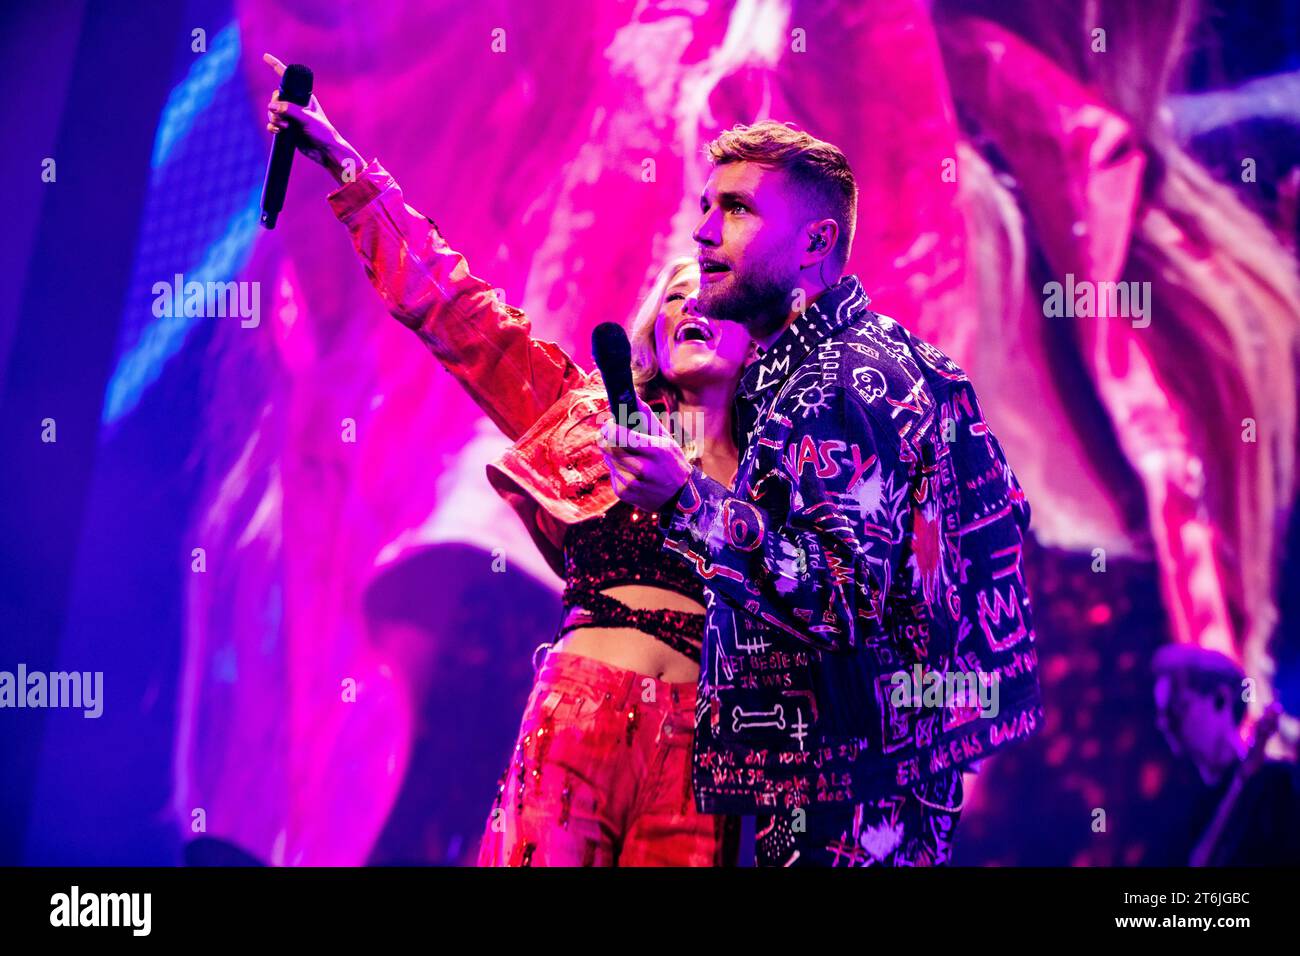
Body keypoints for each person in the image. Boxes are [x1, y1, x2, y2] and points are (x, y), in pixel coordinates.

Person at [262, 53, 752, 866]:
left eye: (713, 294)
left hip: (706, 754)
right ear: (653, 338)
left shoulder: (794, 463)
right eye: (676, 296)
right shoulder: (586, 415)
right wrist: (352, 173)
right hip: (579, 723)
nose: (695, 301)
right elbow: (457, 311)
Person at [601, 120, 1042, 866]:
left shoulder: (834, 383)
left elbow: (840, 602)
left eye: (737, 210)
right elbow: (1004, 518)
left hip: (847, 793)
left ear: (814, 243)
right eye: (705, 208)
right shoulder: (879, 357)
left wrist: (686, 502)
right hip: (878, 774)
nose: (705, 233)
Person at [1152, 644, 1300, 866]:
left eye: (1178, 707)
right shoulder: (1179, 820)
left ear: (1221, 699)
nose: (1166, 724)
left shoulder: (1279, 782)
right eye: (1162, 715)